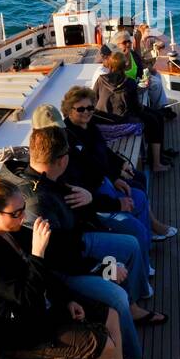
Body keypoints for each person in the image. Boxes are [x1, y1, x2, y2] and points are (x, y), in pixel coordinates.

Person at [0, 176, 155, 359]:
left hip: (40, 308)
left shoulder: (7, 230)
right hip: (17, 330)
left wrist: (66, 300)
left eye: (23, 208)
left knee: (110, 313)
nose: (23, 216)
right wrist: (37, 253)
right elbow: (25, 298)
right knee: (103, 346)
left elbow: (48, 272)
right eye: (16, 213)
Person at [12, 127, 164, 359]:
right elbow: (58, 258)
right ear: (62, 160)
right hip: (64, 271)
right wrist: (105, 267)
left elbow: (79, 207)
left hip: (79, 243)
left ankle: (133, 309)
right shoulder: (37, 203)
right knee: (117, 297)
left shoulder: (50, 180)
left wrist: (94, 198)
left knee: (131, 245)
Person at [32, 102, 156, 277]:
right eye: (50, 131)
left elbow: (92, 165)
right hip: (86, 227)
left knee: (139, 198)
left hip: (96, 199)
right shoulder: (54, 169)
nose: (57, 134)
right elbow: (82, 202)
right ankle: (136, 282)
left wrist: (114, 176)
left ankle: (145, 256)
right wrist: (115, 204)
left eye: (58, 129)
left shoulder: (67, 145)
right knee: (134, 236)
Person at [61, 88, 177, 241]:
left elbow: (104, 150)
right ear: (69, 110)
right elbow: (91, 166)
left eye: (90, 108)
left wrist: (122, 164)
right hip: (99, 186)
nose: (87, 112)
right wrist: (116, 175)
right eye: (81, 109)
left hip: (107, 176)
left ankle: (148, 228)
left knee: (139, 178)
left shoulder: (89, 126)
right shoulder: (70, 135)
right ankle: (151, 226)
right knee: (138, 186)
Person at [95, 52, 171, 173]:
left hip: (103, 118)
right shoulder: (129, 82)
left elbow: (95, 98)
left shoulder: (101, 80)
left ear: (109, 66)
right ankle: (156, 163)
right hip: (120, 121)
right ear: (125, 66)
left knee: (156, 116)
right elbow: (136, 108)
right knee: (154, 120)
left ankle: (160, 154)